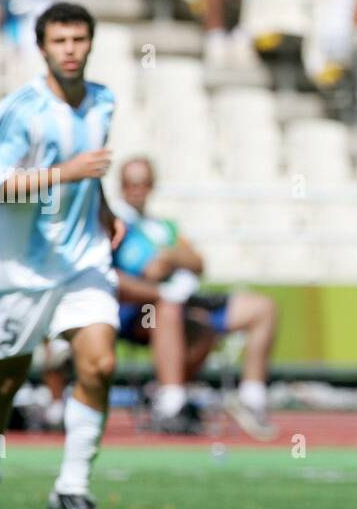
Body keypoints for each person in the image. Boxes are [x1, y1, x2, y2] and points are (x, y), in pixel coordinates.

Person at [0, 2, 122, 509]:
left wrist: (102, 206)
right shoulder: (21, 111)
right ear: (42, 48)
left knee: (99, 364)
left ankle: (72, 486)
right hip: (21, 269)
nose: (70, 49)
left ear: (91, 43)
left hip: (82, 259)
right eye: (60, 41)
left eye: (79, 38)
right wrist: (67, 173)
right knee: (2, 387)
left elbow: (90, 168)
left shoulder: (103, 101)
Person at [112, 156, 279, 438]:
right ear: (121, 186)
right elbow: (116, 276)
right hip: (140, 312)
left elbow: (198, 262)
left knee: (261, 309)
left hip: (183, 302)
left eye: (143, 183)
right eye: (131, 184)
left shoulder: (164, 227)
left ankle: (251, 397)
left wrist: (170, 257)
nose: (137, 190)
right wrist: (158, 281)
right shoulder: (115, 225)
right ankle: (171, 404)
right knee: (167, 307)